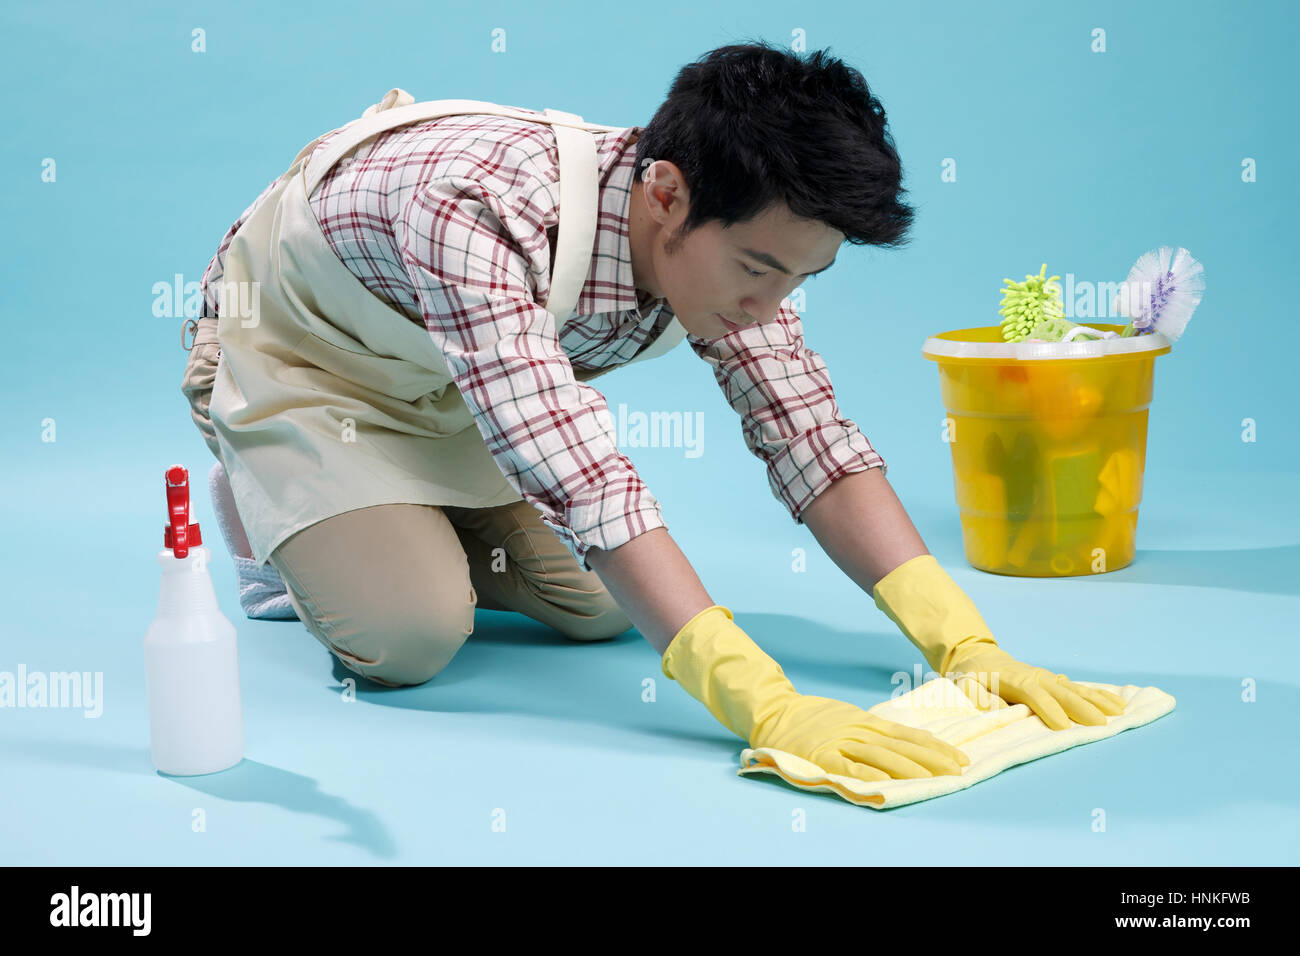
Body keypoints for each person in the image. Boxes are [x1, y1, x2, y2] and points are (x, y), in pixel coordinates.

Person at [180, 41, 1126, 786]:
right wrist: (763, 702)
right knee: (410, 635)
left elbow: (808, 433)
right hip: (309, 367)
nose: (772, 304)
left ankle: (395, 520)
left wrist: (963, 641)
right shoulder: (478, 208)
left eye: (804, 277)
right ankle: (267, 512)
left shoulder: (741, 237)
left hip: (457, 385)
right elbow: (581, 476)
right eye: (760, 270)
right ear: (666, 193)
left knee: (603, 608)